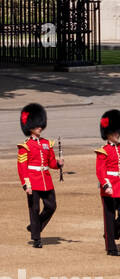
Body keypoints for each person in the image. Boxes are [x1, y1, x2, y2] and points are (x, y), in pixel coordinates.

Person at [18, 103, 62, 248]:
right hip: (32, 180)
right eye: (37, 125)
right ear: (30, 127)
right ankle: (36, 238)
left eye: (40, 125)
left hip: (45, 179)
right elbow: (22, 167)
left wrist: (59, 164)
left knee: (51, 206)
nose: (40, 127)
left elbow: (51, 163)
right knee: (34, 209)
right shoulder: (25, 146)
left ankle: (35, 226)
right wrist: (26, 184)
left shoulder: (46, 143)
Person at [95, 109, 120, 256]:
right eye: (115, 132)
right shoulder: (103, 151)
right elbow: (100, 171)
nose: (117, 135)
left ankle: (111, 234)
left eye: (118, 132)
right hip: (110, 186)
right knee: (109, 217)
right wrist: (106, 184)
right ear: (108, 133)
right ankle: (111, 247)